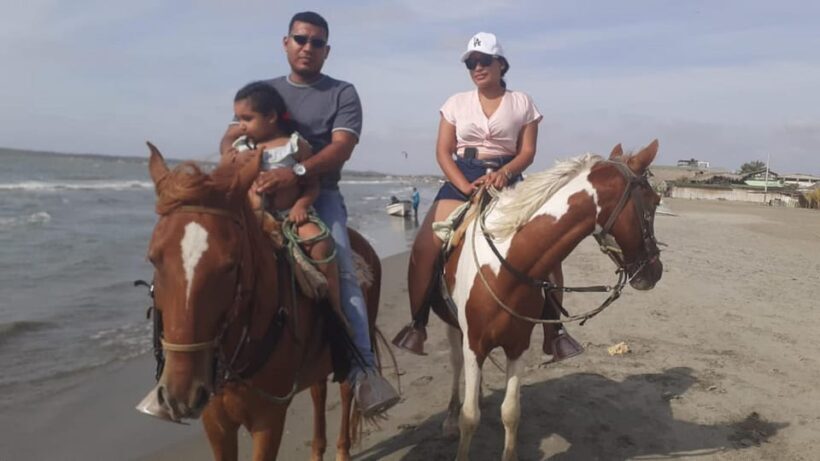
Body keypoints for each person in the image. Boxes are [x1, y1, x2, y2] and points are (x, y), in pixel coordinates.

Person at [220, 11, 399, 417]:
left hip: (319, 193)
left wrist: (296, 173)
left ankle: (364, 371)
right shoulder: (263, 92)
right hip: (257, 195)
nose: (307, 47)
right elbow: (233, 138)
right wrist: (232, 157)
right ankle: (187, 365)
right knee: (203, 258)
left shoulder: (341, 93)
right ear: (286, 43)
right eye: (300, 39)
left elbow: (341, 148)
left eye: (317, 42)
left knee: (344, 267)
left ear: (326, 50)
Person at [393, 32, 584, 362]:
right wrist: (465, 186)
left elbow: (527, 152)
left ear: (501, 64)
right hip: (462, 177)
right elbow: (443, 152)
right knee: (425, 245)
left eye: (483, 61)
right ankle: (417, 324)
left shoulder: (523, 102)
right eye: (471, 63)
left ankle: (555, 331)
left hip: (507, 178)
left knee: (546, 246)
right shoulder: (455, 103)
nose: (477, 68)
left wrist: (504, 173)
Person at [229, 80, 348, 333]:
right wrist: (235, 163)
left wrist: (301, 206)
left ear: (271, 117)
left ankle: (334, 308)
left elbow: (312, 184)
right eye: (238, 119)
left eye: (247, 119)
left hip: (288, 216)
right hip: (253, 218)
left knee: (320, 242)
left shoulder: (294, 145)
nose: (240, 125)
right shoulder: (240, 148)